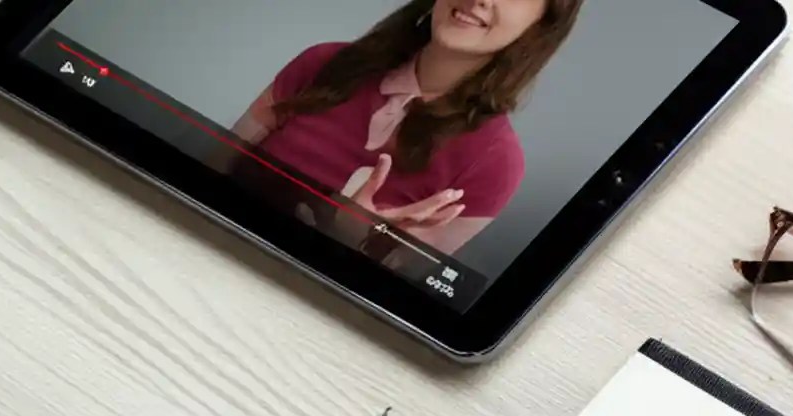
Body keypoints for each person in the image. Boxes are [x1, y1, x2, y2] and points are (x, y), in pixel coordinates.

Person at [224, 0, 583, 259]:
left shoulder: (495, 162)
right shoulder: (323, 62)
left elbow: (401, 294)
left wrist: (355, 239)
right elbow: (207, 164)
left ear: (541, 24)